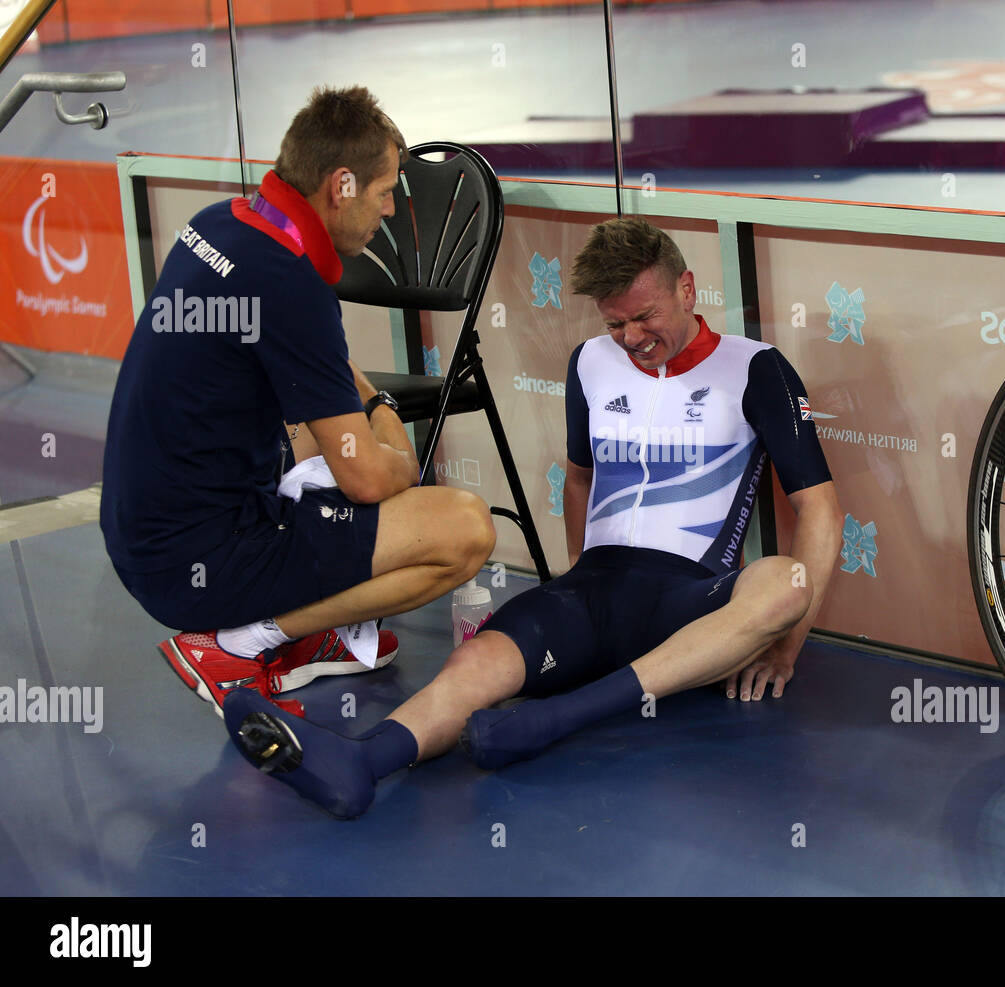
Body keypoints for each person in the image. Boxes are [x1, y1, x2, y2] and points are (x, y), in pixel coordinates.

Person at [221, 217, 845, 818]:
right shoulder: (590, 361)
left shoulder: (755, 367)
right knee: (473, 666)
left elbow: (819, 506)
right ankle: (362, 760)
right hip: (594, 588)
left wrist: (786, 648)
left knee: (783, 582)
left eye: (645, 316)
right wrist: (576, 581)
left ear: (687, 289)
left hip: (689, 603)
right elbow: (579, 478)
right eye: (616, 322)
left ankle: (554, 719)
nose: (631, 336)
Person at [100, 86, 495, 719]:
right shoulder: (289, 283)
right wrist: (390, 429)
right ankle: (240, 643)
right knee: (464, 529)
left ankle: (301, 625)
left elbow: (320, 371)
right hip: (196, 563)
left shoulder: (221, 224)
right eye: (384, 191)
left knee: (318, 433)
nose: (390, 208)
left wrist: (367, 407)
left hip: (143, 537)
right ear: (341, 185)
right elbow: (370, 480)